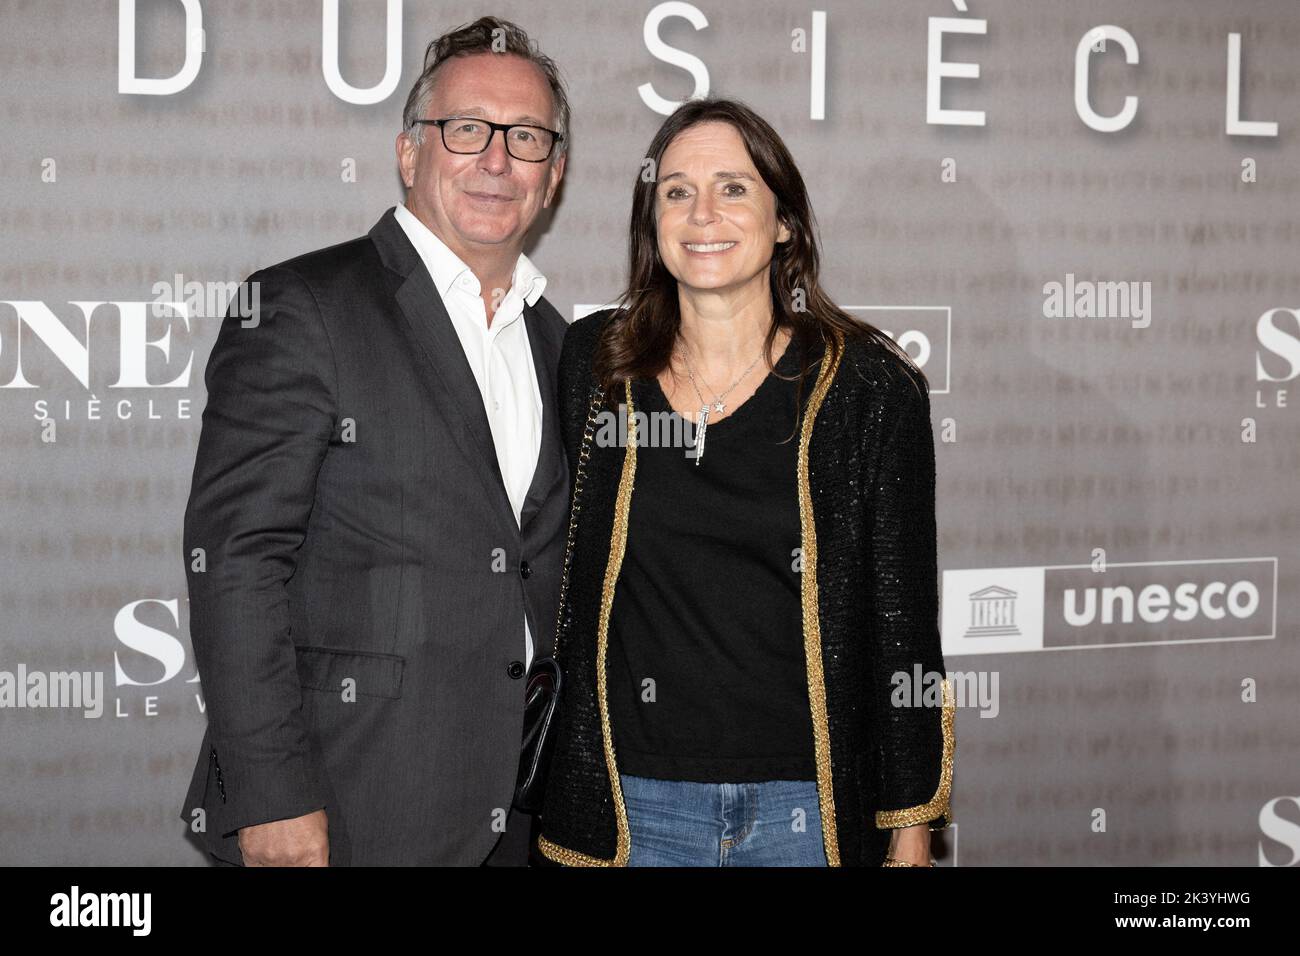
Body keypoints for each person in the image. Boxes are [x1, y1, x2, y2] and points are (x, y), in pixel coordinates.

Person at [178, 17, 571, 866]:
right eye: (467, 130)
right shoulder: (303, 308)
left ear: (555, 173)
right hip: (350, 805)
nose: (497, 160)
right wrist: (273, 796)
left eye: (528, 137)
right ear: (409, 153)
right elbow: (237, 560)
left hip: (525, 814)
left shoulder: (561, 345)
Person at [535, 98, 955, 867]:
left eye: (733, 188)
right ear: (651, 220)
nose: (703, 214)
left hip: (808, 810)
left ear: (784, 221)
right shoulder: (598, 366)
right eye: (676, 191)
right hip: (633, 805)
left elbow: (904, 629)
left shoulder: (867, 386)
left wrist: (911, 829)